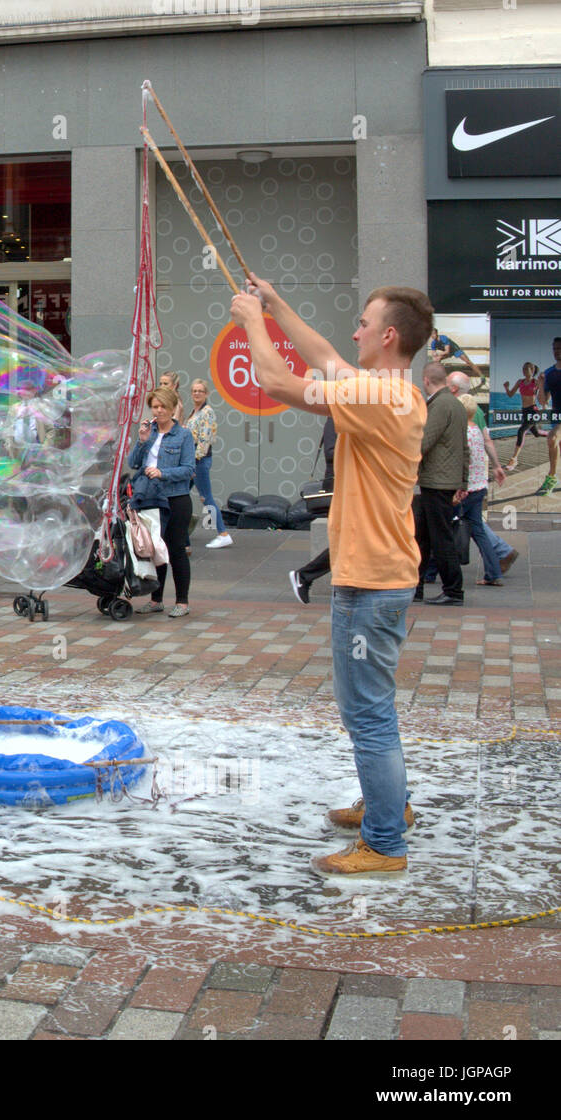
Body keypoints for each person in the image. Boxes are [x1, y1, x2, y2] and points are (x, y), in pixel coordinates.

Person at [232, 275, 428, 878]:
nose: (355, 331)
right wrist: (275, 303)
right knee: (376, 709)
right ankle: (387, 804)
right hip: (382, 575)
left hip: (370, 581)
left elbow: (276, 382)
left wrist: (252, 322)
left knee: (367, 715)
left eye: (364, 323)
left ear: (388, 335)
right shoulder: (393, 390)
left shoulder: (374, 397)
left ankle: (385, 844)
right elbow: (324, 356)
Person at [127, 386, 196, 617]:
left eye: (163, 406)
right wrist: (142, 441)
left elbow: (188, 469)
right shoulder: (150, 432)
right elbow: (134, 463)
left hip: (175, 497)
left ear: (173, 408)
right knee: (155, 548)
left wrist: (162, 473)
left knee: (176, 549)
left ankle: (182, 601)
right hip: (150, 497)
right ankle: (156, 599)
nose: (159, 411)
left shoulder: (183, 435)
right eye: (155, 407)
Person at [413, 362, 469, 606]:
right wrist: (463, 481)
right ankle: (415, 587)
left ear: (426, 380)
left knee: (439, 538)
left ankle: (453, 590)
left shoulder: (440, 405)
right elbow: (464, 448)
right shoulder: (455, 404)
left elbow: (423, 442)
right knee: (424, 536)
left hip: (437, 481)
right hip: (444, 480)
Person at [457, 394, 503, 589]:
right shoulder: (476, 430)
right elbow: (487, 443)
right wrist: (497, 466)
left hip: (465, 489)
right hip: (479, 486)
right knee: (479, 532)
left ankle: (432, 571)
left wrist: (459, 487)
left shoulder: (462, 432)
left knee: (444, 528)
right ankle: (494, 573)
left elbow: (462, 461)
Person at [288, 416, 336, 604]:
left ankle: (306, 576)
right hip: (340, 485)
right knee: (351, 540)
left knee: (352, 541)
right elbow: (331, 453)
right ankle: (305, 576)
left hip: (354, 486)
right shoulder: (336, 418)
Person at [187, 379, 231, 549]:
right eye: (194, 391)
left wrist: (194, 461)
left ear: (206, 393)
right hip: (192, 459)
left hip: (199, 459)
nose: (197, 393)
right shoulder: (194, 411)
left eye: (200, 391)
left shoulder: (207, 412)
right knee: (180, 493)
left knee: (206, 497)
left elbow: (204, 440)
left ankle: (223, 533)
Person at [503, 362, 546, 472]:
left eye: (526, 369)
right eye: (523, 369)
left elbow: (543, 396)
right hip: (524, 411)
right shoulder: (520, 382)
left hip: (533, 411)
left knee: (521, 431)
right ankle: (552, 435)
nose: (524, 371)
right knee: (536, 433)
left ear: (532, 370)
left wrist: (544, 407)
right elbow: (510, 394)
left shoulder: (536, 382)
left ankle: (514, 459)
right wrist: (506, 387)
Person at [539, 336, 561, 497]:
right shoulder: (549, 373)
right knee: (556, 445)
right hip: (556, 415)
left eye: (559, 348)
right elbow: (543, 401)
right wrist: (541, 385)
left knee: (552, 438)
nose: (556, 352)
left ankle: (551, 477)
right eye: (554, 349)